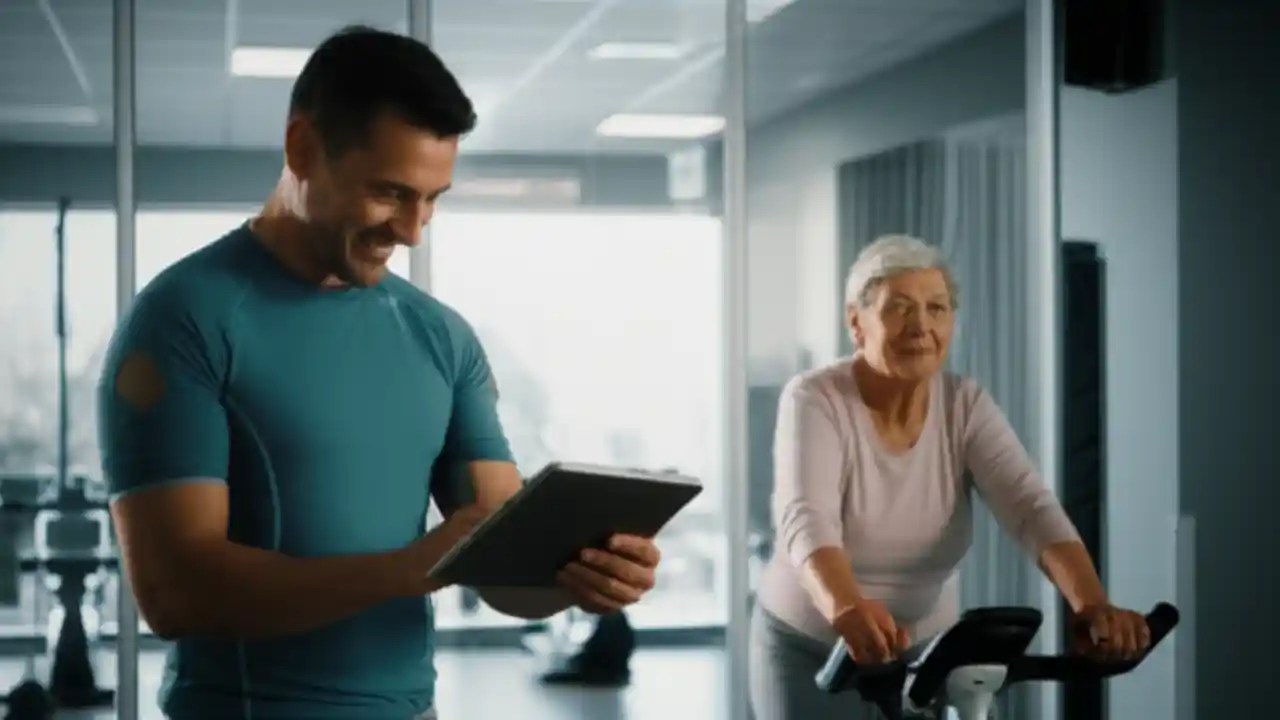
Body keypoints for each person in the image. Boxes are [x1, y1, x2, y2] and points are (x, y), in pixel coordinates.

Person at [97, 26, 662, 720]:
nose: (415, 229)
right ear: (303, 148)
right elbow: (174, 592)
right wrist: (413, 568)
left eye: (434, 197)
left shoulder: (441, 336)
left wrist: (585, 576)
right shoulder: (181, 318)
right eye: (391, 192)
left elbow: (499, 559)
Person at [747, 235, 1150, 720]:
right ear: (856, 322)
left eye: (937, 308)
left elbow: (1030, 507)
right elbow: (806, 520)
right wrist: (847, 608)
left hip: (927, 649)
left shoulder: (965, 405)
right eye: (899, 308)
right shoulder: (815, 399)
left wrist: (1092, 606)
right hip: (809, 645)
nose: (921, 325)